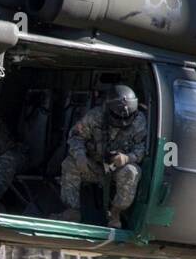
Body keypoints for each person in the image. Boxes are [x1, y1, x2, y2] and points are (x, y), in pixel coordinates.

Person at [58, 84, 148, 228]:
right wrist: (80, 155)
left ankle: (115, 213)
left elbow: (142, 148)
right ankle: (72, 210)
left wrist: (127, 158)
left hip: (117, 169)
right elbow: (76, 137)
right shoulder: (95, 116)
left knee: (132, 171)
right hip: (94, 166)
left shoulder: (139, 122)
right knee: (70, 163)